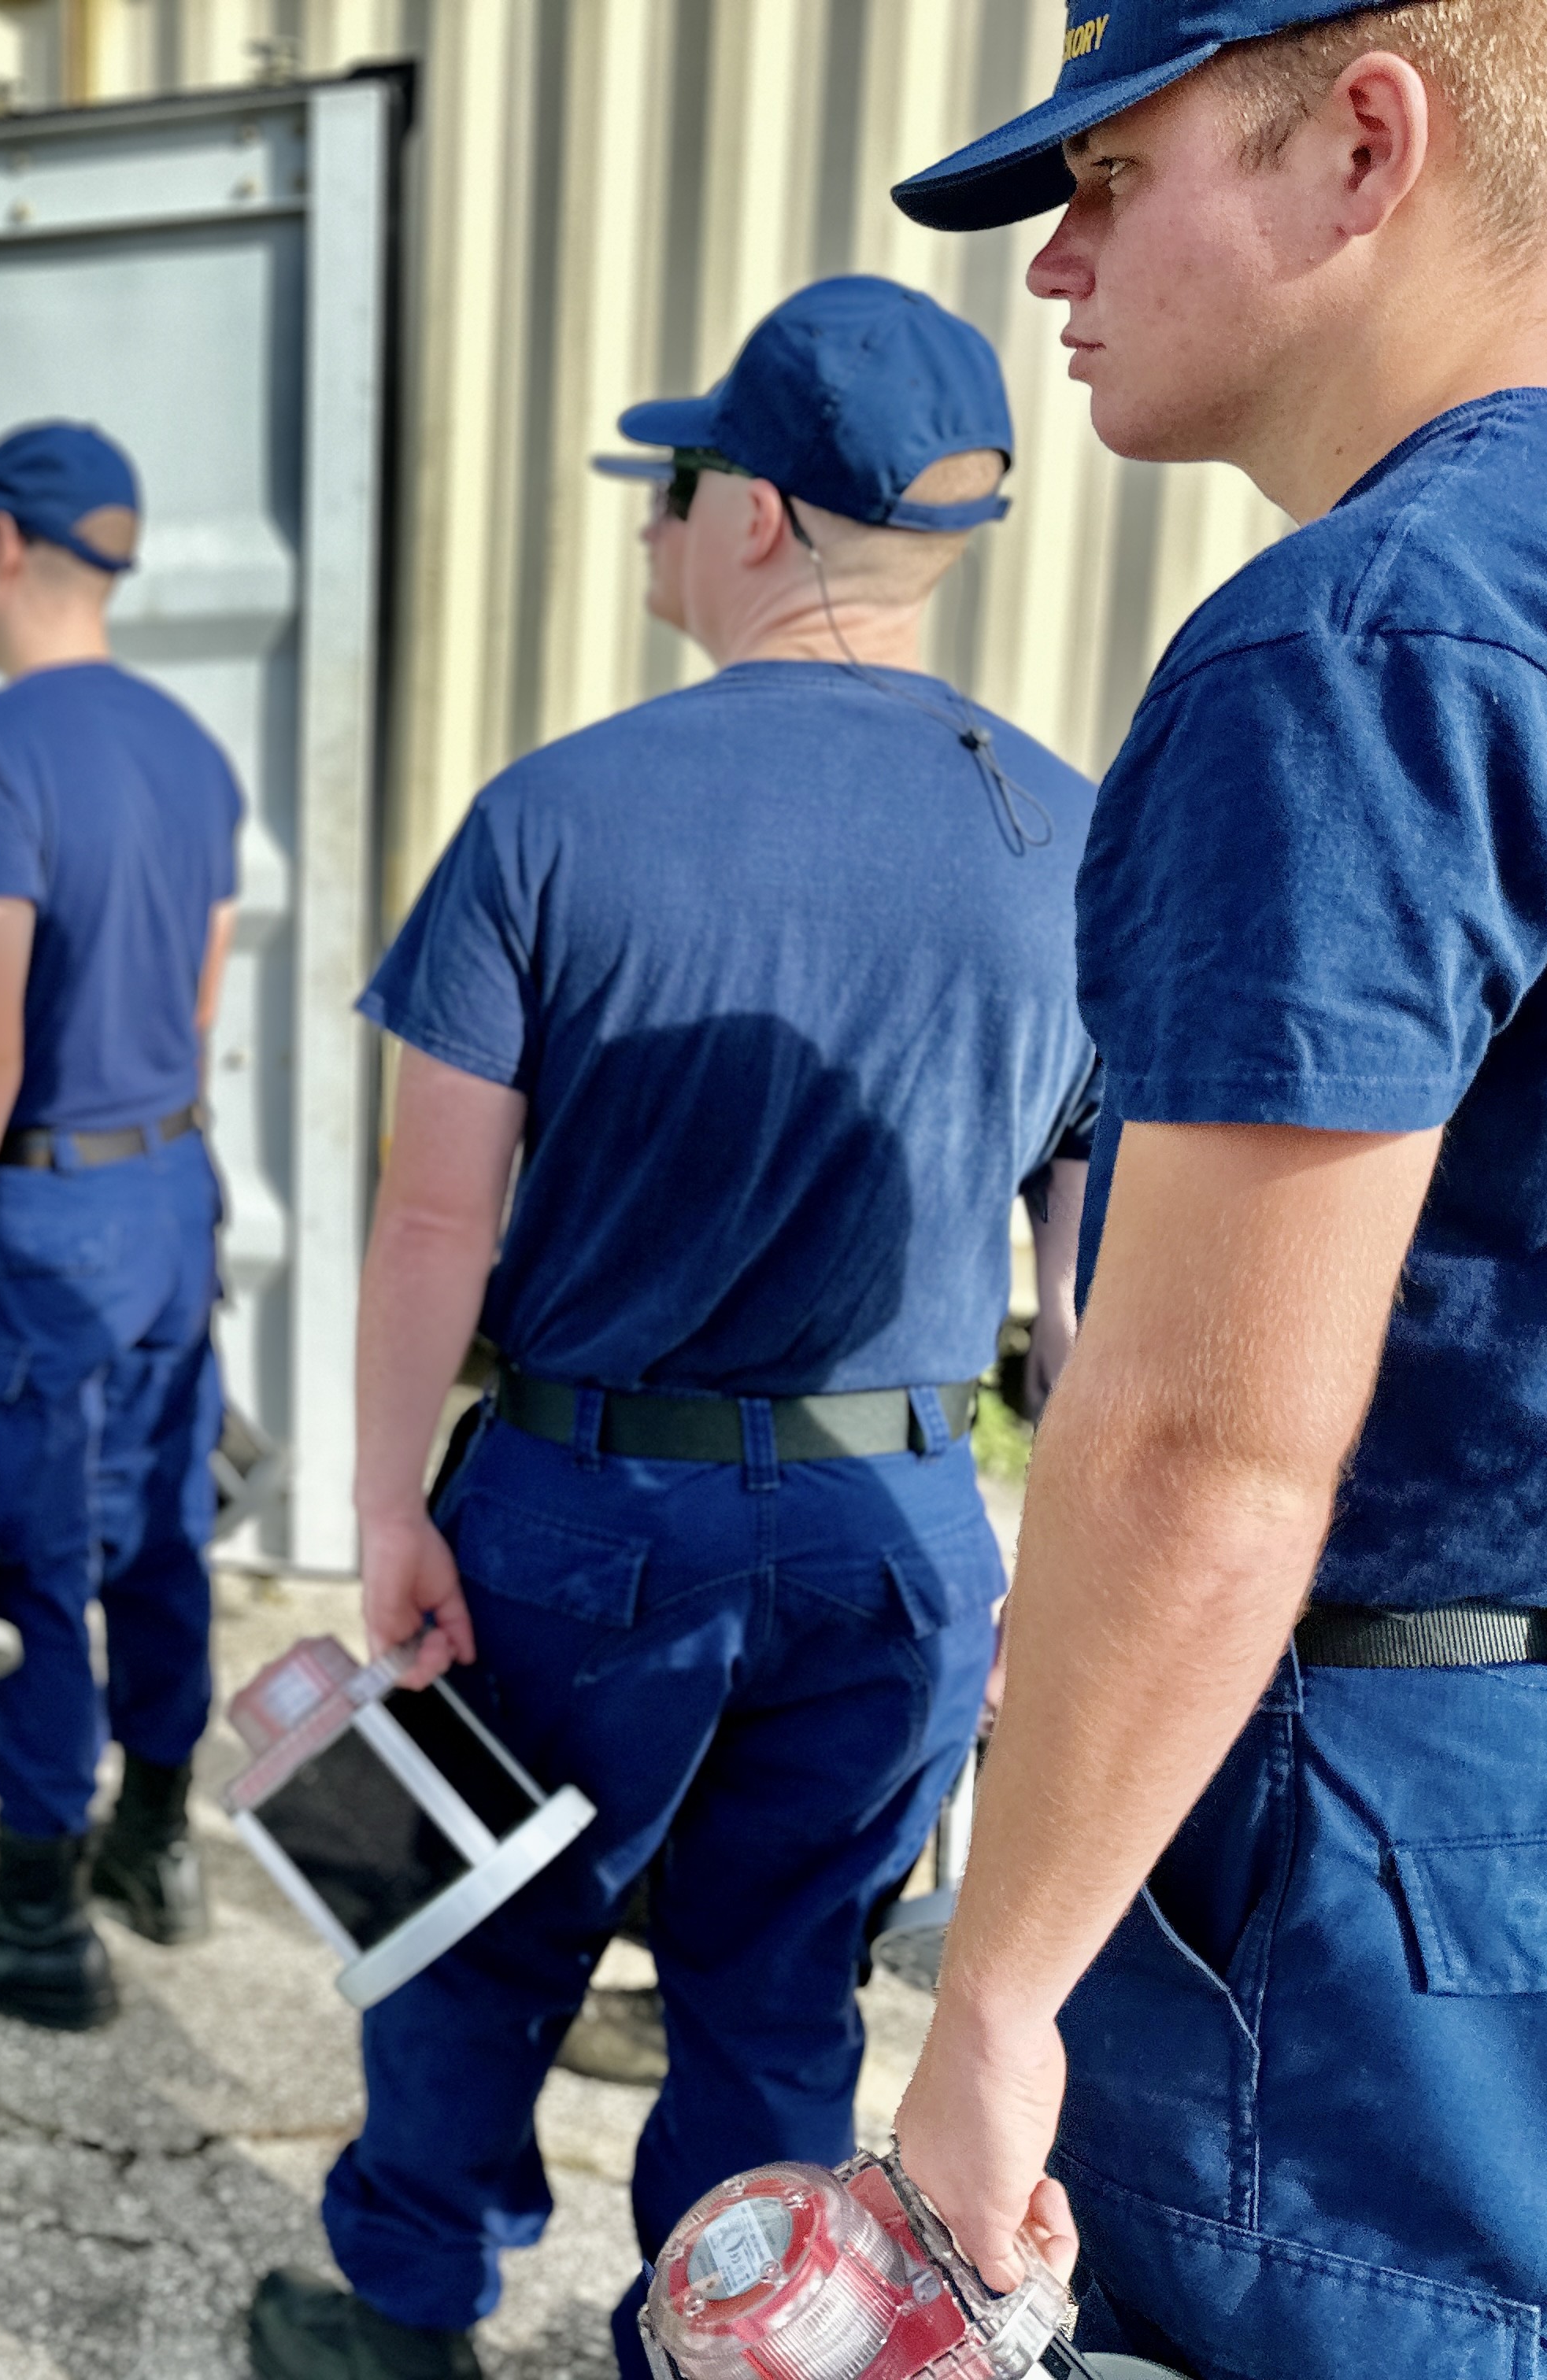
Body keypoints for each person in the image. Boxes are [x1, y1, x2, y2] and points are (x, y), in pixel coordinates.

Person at [245, 279, 1098, 2380]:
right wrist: (1057, 1586)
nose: (652, 521)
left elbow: (434, 1215)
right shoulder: (1074, 840)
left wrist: (385, 1508)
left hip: (585, 1510)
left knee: (466, 1928)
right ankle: (724, 2357)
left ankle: (405, 2316)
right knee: (779, 1985)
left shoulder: (555, 813)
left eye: (674, 481)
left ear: (756, 515)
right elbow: (1091, 1298)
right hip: (899, 1531)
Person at [885, 9, 1547, 2373]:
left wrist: (997, 2003)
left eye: (1111, 179)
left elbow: (1202, 1444)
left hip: (1383, 1901)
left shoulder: (1362, 646)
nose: (1052, 266)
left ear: (1365, 142)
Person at [0, 421, 244, 2033]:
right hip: (168, 1188)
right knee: (157, 1530)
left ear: (6, 547)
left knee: (27, 1558)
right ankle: (156, 1842)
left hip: (45, 1220)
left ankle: (36, 1919)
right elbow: (202, 998)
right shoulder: (192, 750)